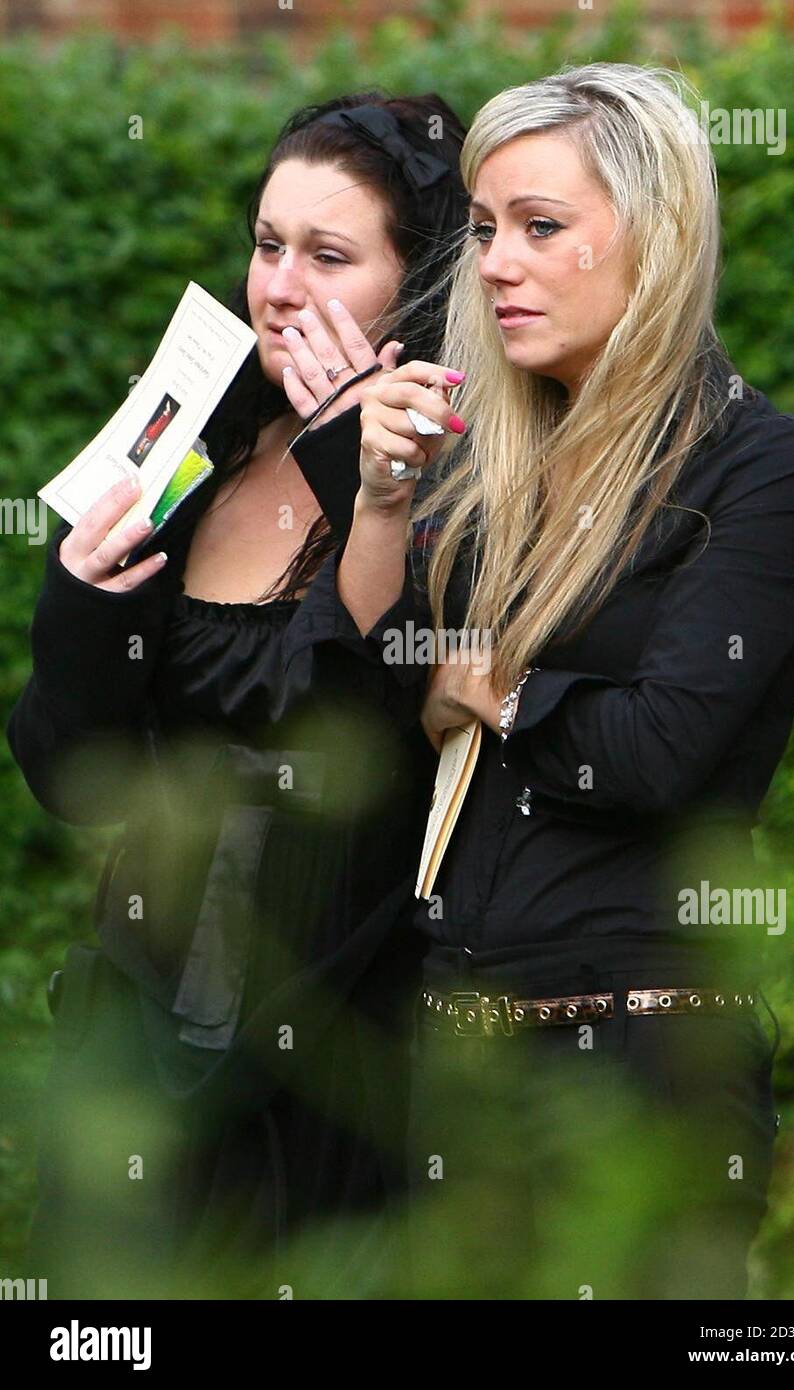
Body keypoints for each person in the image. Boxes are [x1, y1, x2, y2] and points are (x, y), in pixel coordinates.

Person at [288, 63, 794, 1298]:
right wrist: (378, 500)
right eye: (485, 229)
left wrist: (486, 685)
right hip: (455, 1064)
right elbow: (374, 712)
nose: (492, 264)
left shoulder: (762, 468)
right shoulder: (482, 458)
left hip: (645, 1064)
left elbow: (658, 750)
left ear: (653, 239)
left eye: (541, 228)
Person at [7, 91, 468, 1299]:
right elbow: (68, 775)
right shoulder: (201, 448)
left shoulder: (459, 482)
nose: (278, 286)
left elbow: (370, 728)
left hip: (330, 1055)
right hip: (136, 1031)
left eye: (329, 255)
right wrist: (83, 599)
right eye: (268, 245)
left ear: (414, 286)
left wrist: (347, 458)